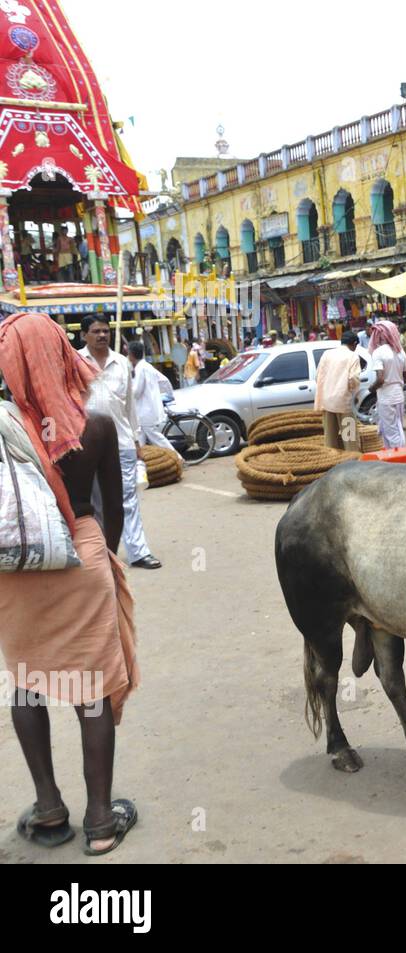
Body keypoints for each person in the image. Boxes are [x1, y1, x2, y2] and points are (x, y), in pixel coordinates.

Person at [0, 312, 141, 855]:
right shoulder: (98, 424)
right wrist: (97, 558)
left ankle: (51, 811)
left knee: (27, 684)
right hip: (81, 555)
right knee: (91, 691)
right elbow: (116, 512)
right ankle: (102, 822)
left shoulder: (6, 423)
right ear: (63, 354)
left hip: (17, 569)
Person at [79, 316, 161, 570]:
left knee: (127, 498)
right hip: (87, 442)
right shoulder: (75, 362)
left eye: (105, 331)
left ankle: (138, 552)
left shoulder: (122, 364)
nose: (102, 335)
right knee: (95, 502)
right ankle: (102, 552)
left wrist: (136, 440)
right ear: (84, 335)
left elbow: (129, 405)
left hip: (122, 441)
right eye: (96, 331)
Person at [127, 342, 176, 459]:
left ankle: (177, 457)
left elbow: (136, 391)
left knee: (155, 437)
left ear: (131, 355)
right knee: (139, 437)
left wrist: (125, 395)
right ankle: (138, 462)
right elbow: (164, 381)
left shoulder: (140, 369)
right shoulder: (146, 366)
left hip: (146, 410)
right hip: (146, 409)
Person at [315, 331, 362, 452]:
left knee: (330, 440)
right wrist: (354, 394)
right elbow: (353, 379)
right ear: (354, 343)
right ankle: (353, 464)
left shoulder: (327, 354)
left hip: (326, 402)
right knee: (349, 439)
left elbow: (318, 376)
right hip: (344, 404)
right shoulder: (352, 356)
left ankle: (333, 466)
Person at [367, 319, 406, 450]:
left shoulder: (378, 352)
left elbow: (380, 379)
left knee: (391, 433)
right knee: (398, 428)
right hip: (399, 396)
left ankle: (398, 460)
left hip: (386, 398)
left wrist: (371, 389)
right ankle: (400, 456)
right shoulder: (400, 351)